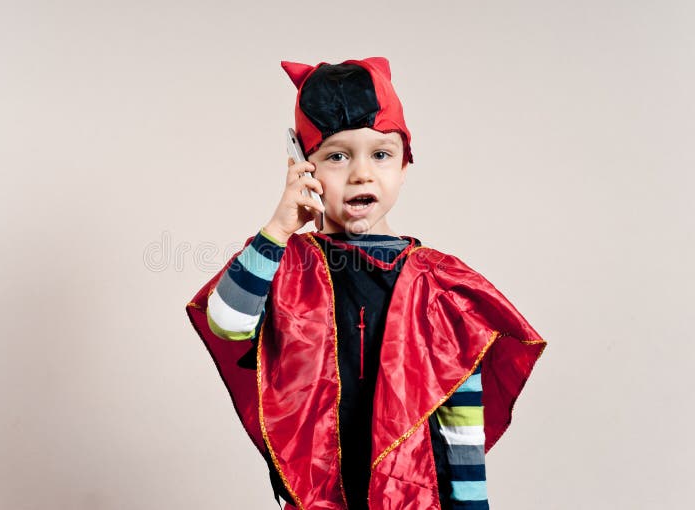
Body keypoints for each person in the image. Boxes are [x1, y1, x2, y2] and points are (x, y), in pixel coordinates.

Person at [185, 57, 546, 510]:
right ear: (303, 167)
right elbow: (227, 322)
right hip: (318, 493)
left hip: (412, 495)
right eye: (336, 156)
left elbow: (461, 413)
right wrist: (278, 228)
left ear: (404, 166)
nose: (361, 173)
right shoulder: (286, 263)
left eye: (381, 154)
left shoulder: (438, 284)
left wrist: (473, 505)